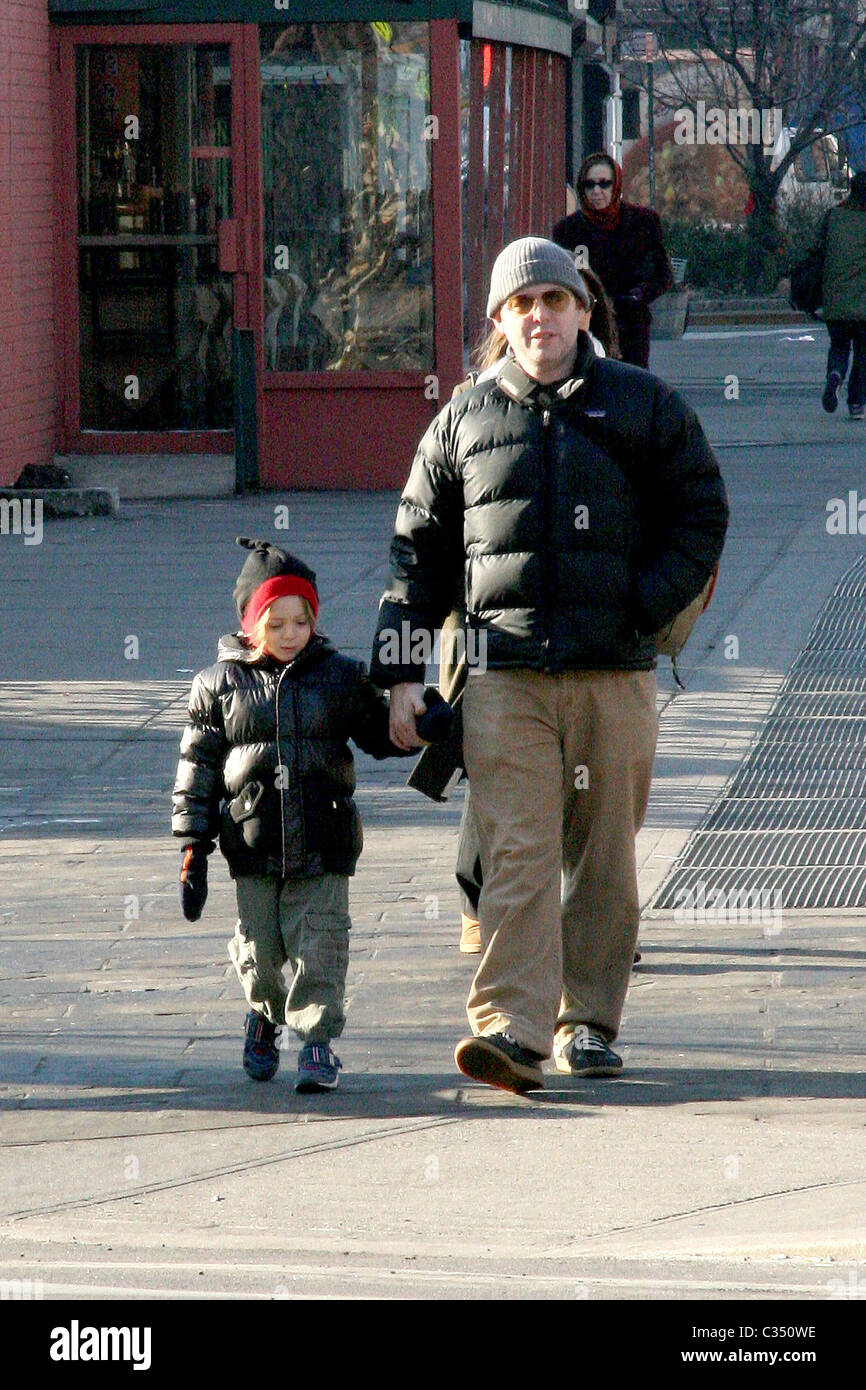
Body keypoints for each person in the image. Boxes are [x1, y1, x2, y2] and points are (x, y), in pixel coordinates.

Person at [372, 237, 728, 1095]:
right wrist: (401, 674)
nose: (540, 317)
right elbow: (414, 555)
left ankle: (590, 1023)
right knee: (519, 850)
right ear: (500, 321)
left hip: (614, 675)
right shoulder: (461, 419)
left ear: (582, 309)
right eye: (521, 305)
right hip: (505, 677)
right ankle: (512, 1029)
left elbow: (703, 510)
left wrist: (642, 603)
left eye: (555, 301)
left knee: (603, 853)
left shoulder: (642, 404)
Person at [171, 537, 410, 1093]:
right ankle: (263, 1014)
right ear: (251, 623)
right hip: (252, 846)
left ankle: (318, 1043)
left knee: (319, 945)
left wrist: (420, 724)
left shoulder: (338, 676)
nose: (289, 635)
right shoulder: (216, 686)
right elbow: (197, 771)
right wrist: (193, 850)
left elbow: (381, 732)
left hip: (324, 841)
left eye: (300, 622)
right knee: (261, 948)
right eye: (275, 624)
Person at [552, 152, 673, 368]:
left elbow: (662, 275)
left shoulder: (643, 223)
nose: (596, 192)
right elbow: (562, 278)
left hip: (631, 325)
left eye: (604, 184)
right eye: (589, 185)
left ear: (615, 186)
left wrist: (638, 295)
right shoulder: (568, 231)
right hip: (588, 325)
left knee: (630, 387)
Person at [820, 169, 866, 420]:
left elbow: (818, 252)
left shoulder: (833, 217)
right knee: (863, 351)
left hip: (835, 300)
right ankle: (857, 402)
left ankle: (835, 375)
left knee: (839, 345)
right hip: (863, 303)